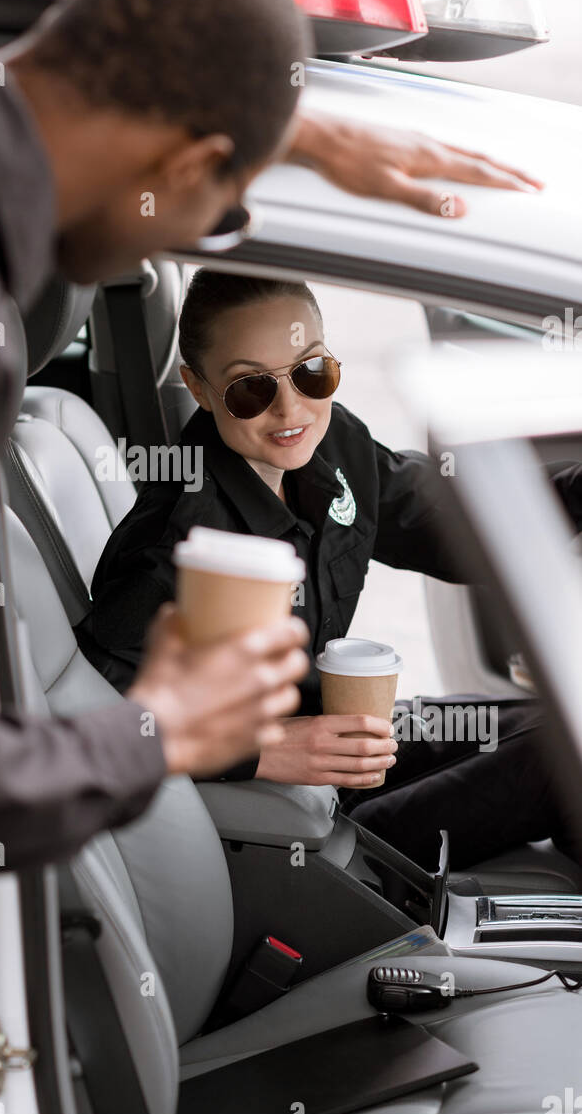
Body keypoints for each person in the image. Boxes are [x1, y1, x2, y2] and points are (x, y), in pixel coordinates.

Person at [0, 0, 546, 1108]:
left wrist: (276, 127)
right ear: (187, 152)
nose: (177, 242)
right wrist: (163, 728)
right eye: (208, 205)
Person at [79, 268, 582, 871]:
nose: (291, 408)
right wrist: (261, 748)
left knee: (555, 726)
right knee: (559, 763)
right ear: (200, 387)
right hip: (288, 823)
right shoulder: (185, 542)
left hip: (338, 749)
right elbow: (93, 719)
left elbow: (445, 522)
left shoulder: (332, 443)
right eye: (249, 388)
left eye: (312, 371)